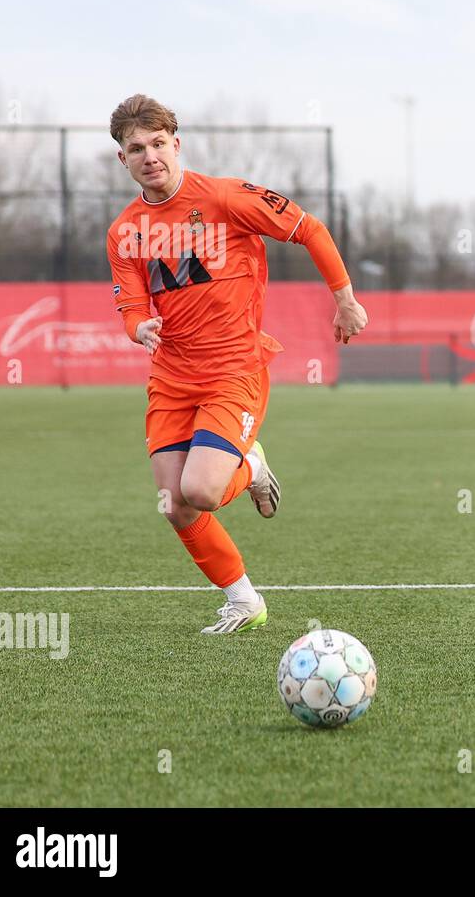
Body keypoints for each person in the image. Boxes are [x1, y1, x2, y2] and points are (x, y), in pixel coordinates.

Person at [105, 94, 368, 634]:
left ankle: (250, 466)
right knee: (173, 504)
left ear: (177, 145)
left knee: (199, 492)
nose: (150, 155)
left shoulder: (227, 198)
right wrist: (139, 328)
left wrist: (344, 299)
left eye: (158, 144)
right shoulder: (124, 232)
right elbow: (131, 305)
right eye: (137, 149)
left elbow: (309, 229)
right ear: (123, 161)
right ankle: (244, 600)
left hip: (234, 371)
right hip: (172, 379)